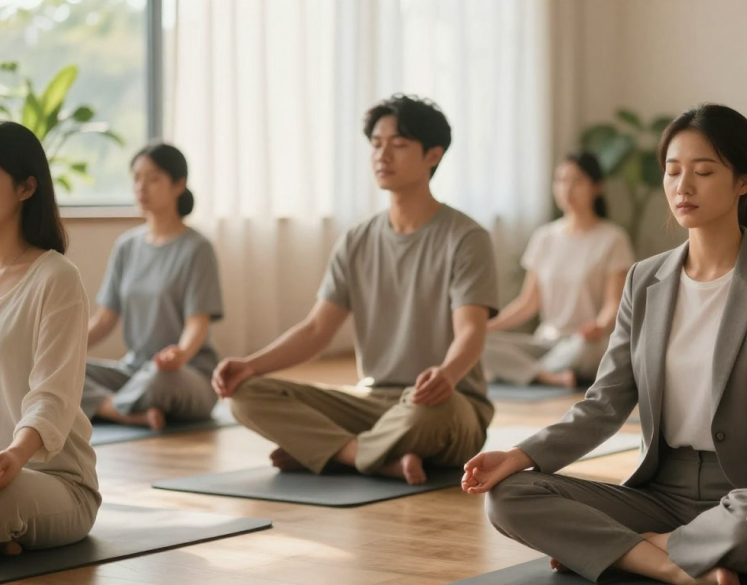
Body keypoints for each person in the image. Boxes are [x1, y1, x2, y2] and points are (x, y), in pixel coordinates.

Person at [462, 104, 747, 584]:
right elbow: (604, 403)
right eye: (672, 172)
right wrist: (520, 455)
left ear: (744, 180)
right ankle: (673, 567)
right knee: (509, 496)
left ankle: (627, 549)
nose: (683, 186)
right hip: (659, 495)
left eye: (703, 171)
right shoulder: (645, 279)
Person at [213, 95, 499, 486]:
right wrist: (250, 365)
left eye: (398, 145)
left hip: (446, 404)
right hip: (373, 403)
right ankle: (368, 457)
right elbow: (316, 331)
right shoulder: (357, 240)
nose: (383, 155)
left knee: (432, 413)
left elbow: (471, 331)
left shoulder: (466, 238)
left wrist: (447, 375)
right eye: (376, 144)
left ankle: (329, 452)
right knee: (245, 395)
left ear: (433, 155)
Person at [0, 121, 101, 555]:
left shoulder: (56, 277)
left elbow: (52, 397)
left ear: (26, 188)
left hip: (57, 483)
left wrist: (15, 457)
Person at [82, 143, 223, 431]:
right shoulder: (126, 246)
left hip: (184, 372)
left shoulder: (198, 248)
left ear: (178, 185)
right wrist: (57, 352)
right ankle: (125, 411)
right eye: (136, 177)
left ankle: (106, 408)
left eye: (153, 178)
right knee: (57, 372)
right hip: (133, 370)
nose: (141, 187)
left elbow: (198, 324)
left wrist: (179, 355)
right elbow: (105, 320)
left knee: (159, 378)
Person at [483, 152, 634, 389]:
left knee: (590, 349)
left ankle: (529, 373)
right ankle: (547, 375)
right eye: (561, 180)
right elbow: (527, 303)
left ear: (596, 187)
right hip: (546, 341)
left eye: (577, 181)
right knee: (479, 344)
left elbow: (613, 305)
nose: (567, 189)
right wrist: (483, 328)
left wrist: (600, 326)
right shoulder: (544, 237)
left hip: (585, 343)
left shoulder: (612, 238)